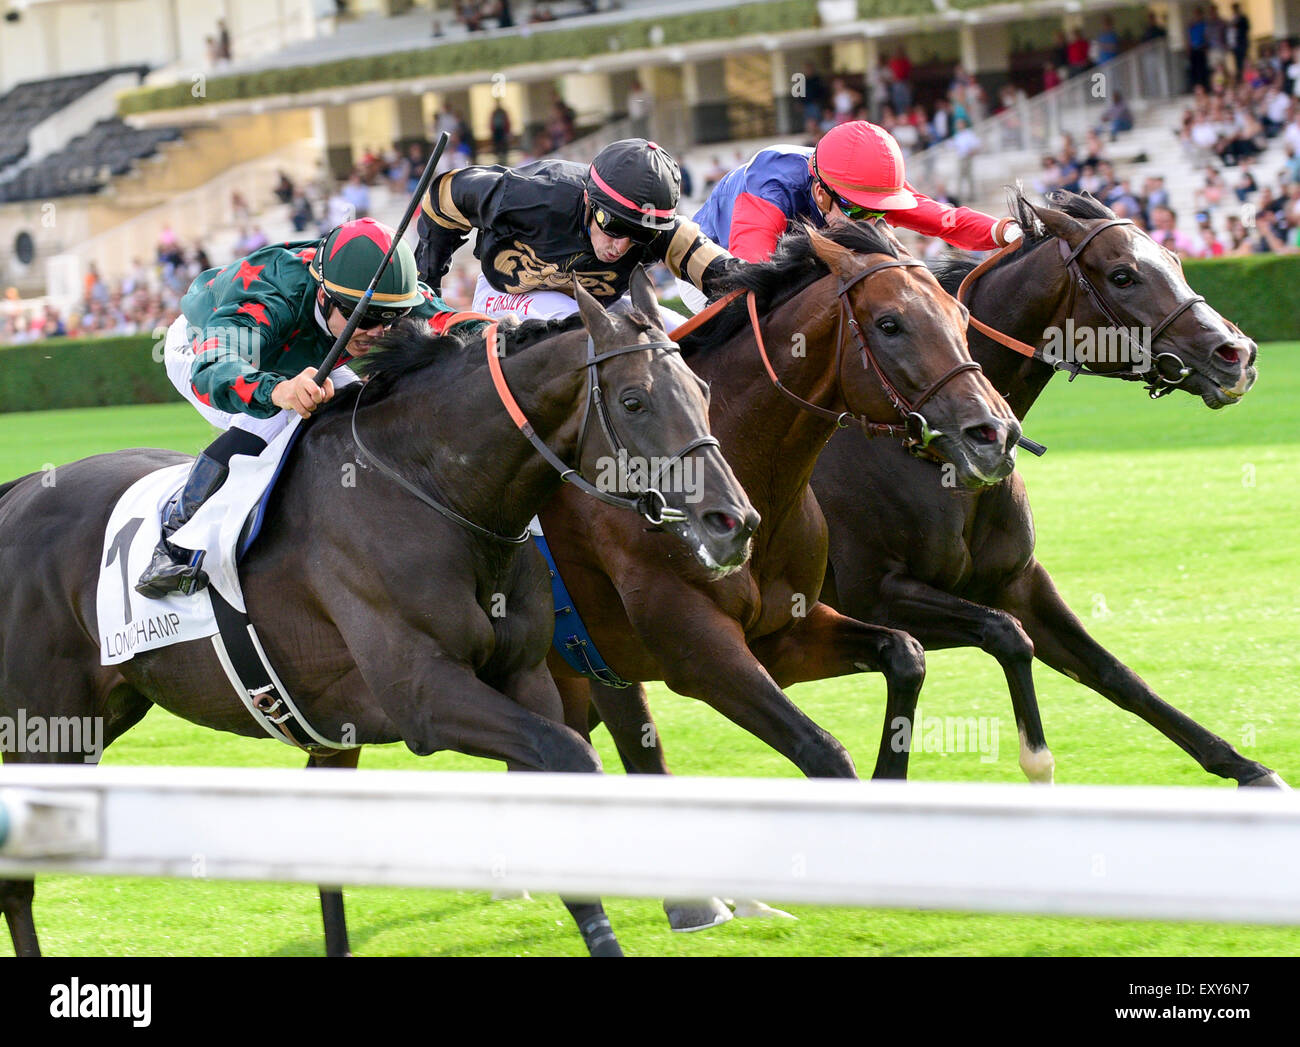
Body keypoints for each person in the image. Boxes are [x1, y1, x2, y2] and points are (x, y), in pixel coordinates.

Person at [136, 218, 485, 598]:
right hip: (204, 351)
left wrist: (496, 332)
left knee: (361, 400)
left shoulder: (382, 290)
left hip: (299, 355)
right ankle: (173, 540)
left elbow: (444, 320)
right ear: (324, 296)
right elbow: (215, 367)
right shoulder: (272, 292)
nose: (379, 332)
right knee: (282, 417)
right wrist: (278, 390)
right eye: (365, 319)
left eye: (391, 319)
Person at [682, 121, 1022, 310]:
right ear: (819, 193)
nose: (869, 223)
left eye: (879, 213)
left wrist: (1008, 232)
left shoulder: (866, 184)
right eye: (857, 210)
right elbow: (751, 283)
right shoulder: (770, 186)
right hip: (712, 267)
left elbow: (944, 219)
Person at [414, 138, 735, 326]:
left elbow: (733, 274)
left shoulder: (661, 233)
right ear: (587, 199)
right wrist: (428, 291)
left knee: (682, 336)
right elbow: (444, 196)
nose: (621, 246)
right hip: (508, 295)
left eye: (637, 235)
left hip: (598, 304)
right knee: (579, 330)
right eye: (615, 226)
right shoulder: (528, 196)